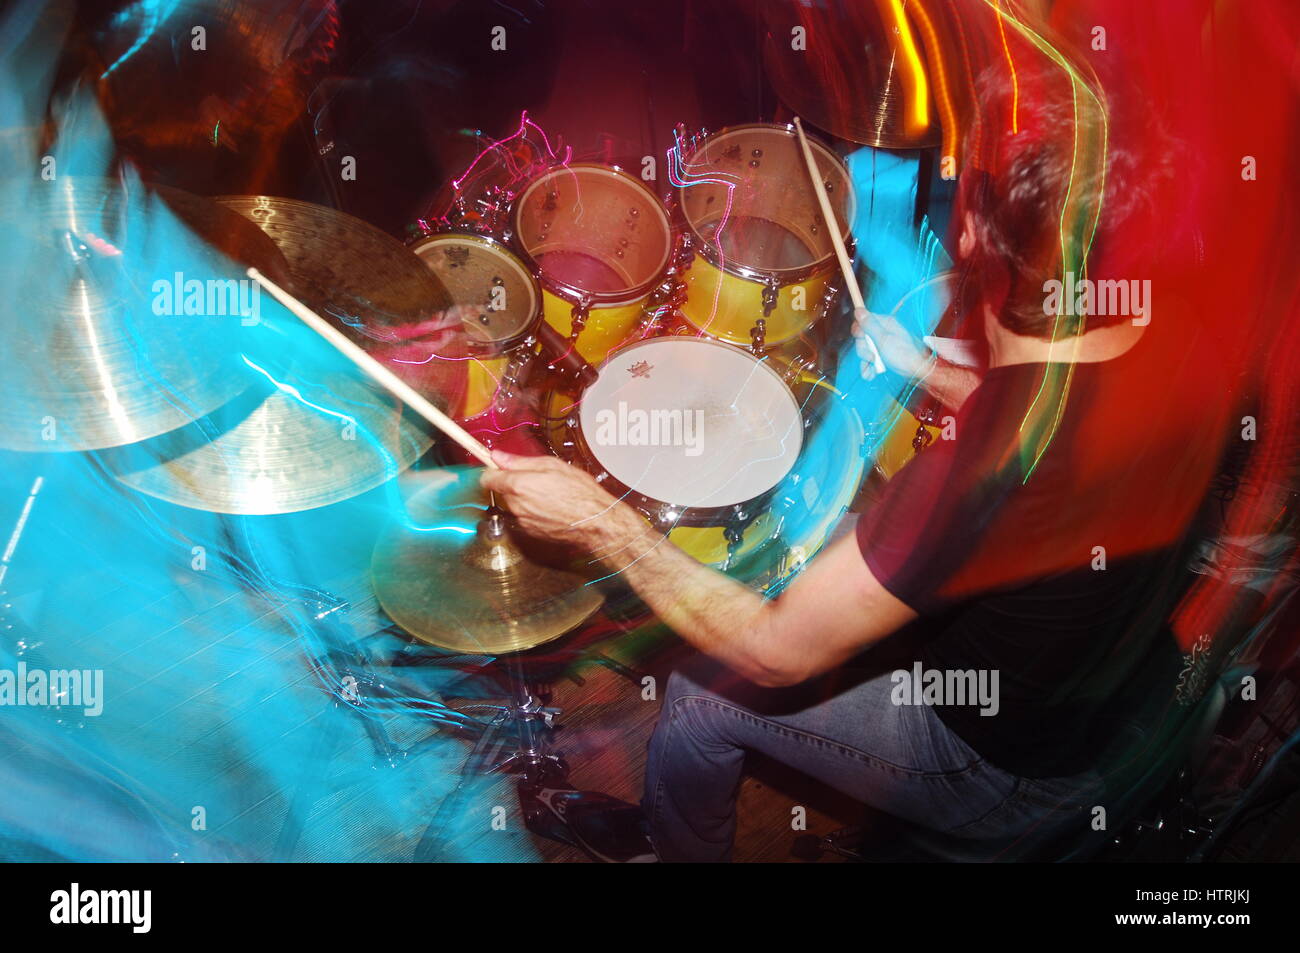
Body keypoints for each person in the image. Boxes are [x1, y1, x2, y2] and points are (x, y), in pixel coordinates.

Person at [480, 64, 1217, 862]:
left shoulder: (977, 478)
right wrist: (932, 371)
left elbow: (775, 652)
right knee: (816, 532)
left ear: (968, 234)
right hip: (1119, 686)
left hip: (1008, 765)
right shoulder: (1180, 338)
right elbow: (1061, 419)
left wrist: (602, 523)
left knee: (701, 698)